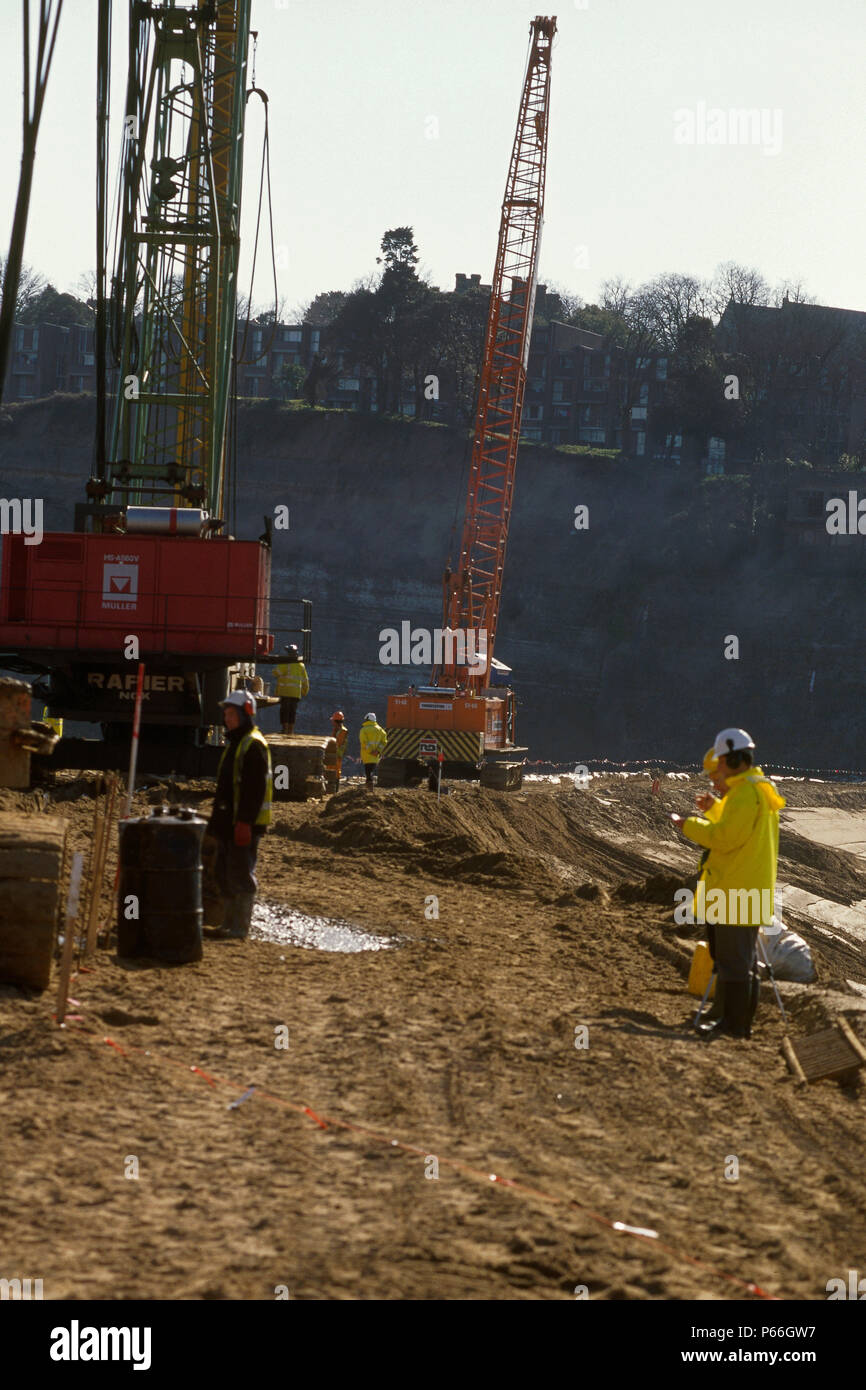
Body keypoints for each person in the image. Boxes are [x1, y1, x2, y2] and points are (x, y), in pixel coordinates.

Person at [671, 728, 785, 1040]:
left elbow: (725, 837)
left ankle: (735, 1025)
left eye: (719, 763)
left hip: (737, 890)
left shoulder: (746, 793)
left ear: (732, 759)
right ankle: (730, 1019)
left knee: (735, 963)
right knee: (735, 960)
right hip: (744, 887)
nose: (716, 771)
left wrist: (689, 825)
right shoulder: (754, 789)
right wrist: (715, 809)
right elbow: (737, 825)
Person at [207, 690, 272, 940]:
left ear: (246, 714)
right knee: (224, 873)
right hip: (228, 822)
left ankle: (239, 927)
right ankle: (228, 923)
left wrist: (244, 823)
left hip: (243, 824)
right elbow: (227, 788)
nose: (227, 718)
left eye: (232, 714)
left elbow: (253, 790)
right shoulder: (236, 743)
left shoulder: (252, 744)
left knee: (241, 874)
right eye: (225, 714)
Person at [273, 643, 309, 735]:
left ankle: (284, 730)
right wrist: (304, 691)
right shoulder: (301, 665)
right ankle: (291, 731)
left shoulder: (285, 664)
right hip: (296, 694)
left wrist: (279, 663)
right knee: (292, 712)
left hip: (285, 692)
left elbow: (275, 673)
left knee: (284, 711)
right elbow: (305, 681)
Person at [359, 712, 387, 787]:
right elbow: (384, 742)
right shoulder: (381, 731)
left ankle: (369, 787)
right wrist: (377, 751)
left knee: (368, 772)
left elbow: (364, 742)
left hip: (367, 756)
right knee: (371, 771)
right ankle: (370, 786)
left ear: (367, 719)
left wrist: (370, 751)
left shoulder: (364, 730)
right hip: (375, 756)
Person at [325, 709, 348, 789]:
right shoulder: (337, 730)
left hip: (337, 755)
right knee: (330, 770)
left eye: (333, 721)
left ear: (336, 721)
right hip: (333, 754)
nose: (332, 722)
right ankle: (331, 788)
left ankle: (334, 789)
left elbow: (338, 744)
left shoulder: (342, 731)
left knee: (336, 772)